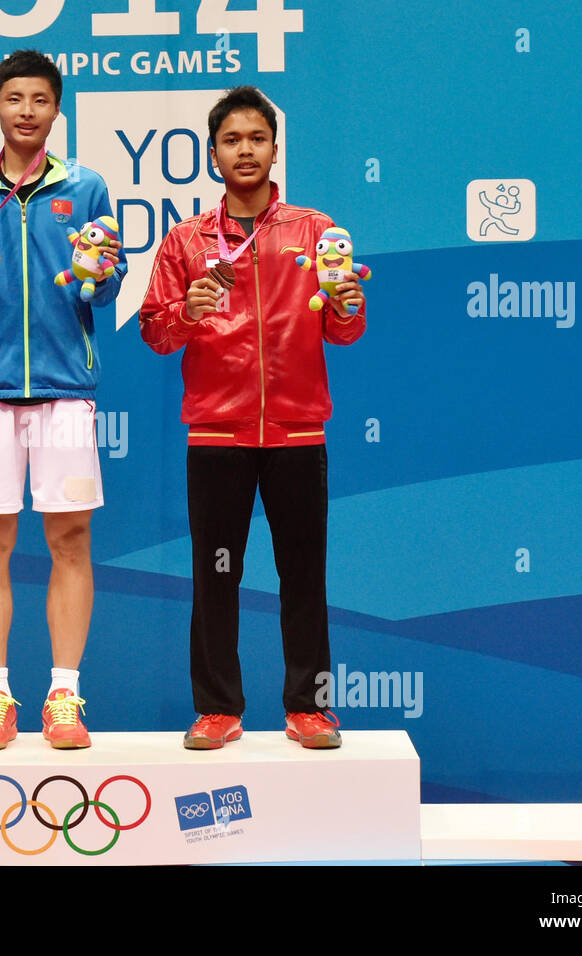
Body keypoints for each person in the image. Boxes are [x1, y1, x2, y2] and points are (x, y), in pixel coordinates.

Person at [138, 86, 366, 750]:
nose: (245, 150)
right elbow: (155, 334)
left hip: (298, 431)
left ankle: (310, 708)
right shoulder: (186, 241)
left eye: (257, 139)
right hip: (217, 434)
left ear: (274, 148)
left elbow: (344, 332)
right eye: (232, 140)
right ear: (212, 154)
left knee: (305, 577)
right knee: (215, 577)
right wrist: (190, 312)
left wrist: (347, 303)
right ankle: (217, 709)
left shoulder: (317, 232)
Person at [0, 49, 126, 751]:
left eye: (40, 99)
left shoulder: (87, 185)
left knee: (71, 539)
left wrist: (96, 275)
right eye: (14, 98)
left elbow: (106, 287)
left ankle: (64, 696)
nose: (27, 111)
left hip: (67, 392)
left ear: (56, 108)